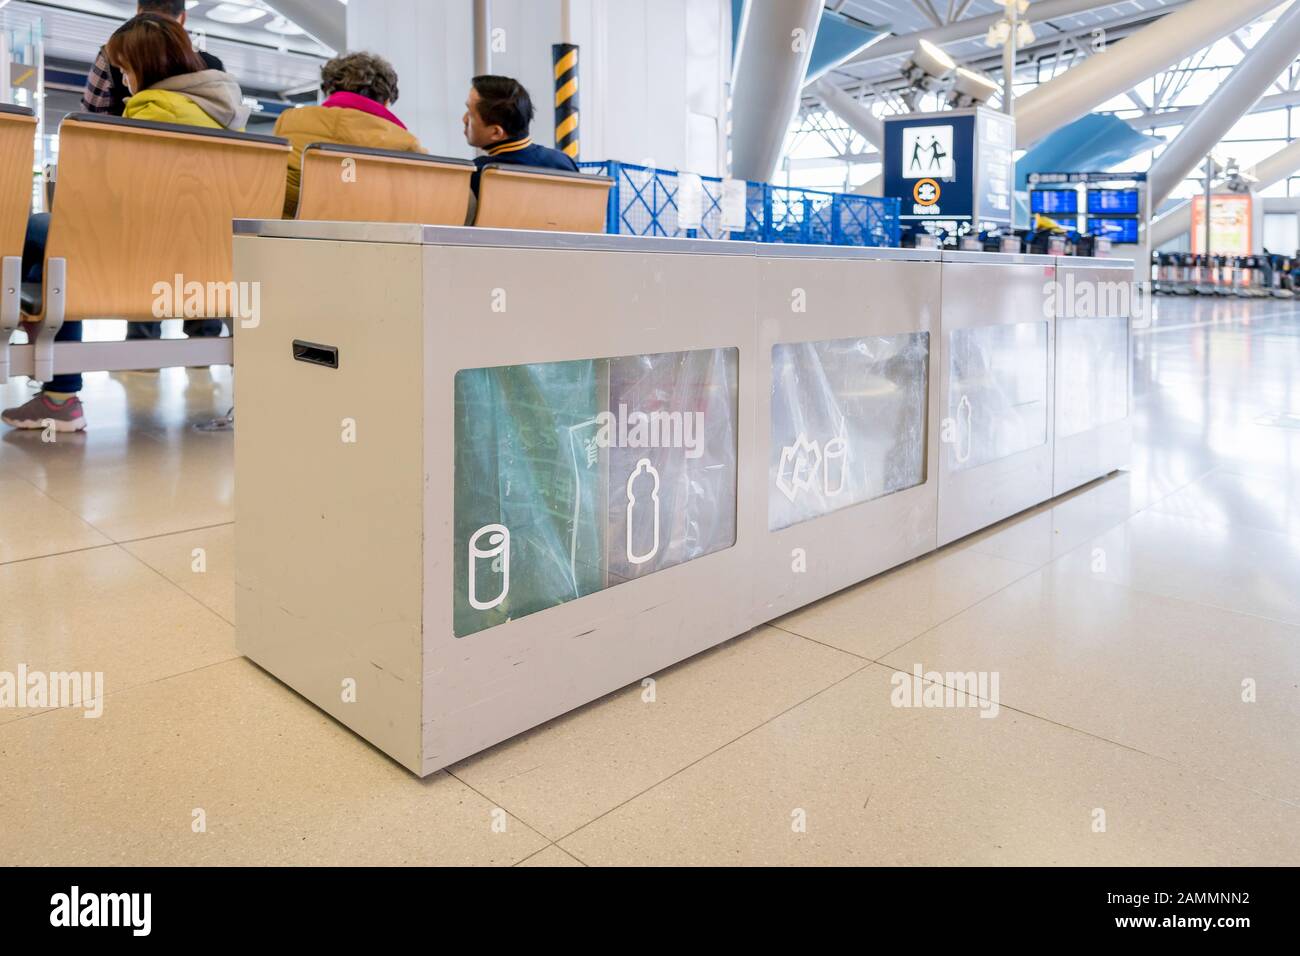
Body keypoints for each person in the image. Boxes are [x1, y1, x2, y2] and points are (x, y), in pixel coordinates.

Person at [2, 14, 249, 433]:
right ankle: (53, 381)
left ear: (146, 68)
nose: (123, 78)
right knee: (47, 251)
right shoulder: (228, 118)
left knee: (31, 231)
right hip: (209, 268)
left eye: (125, 69)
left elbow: (102, 202)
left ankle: (55, 379)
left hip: (137, 256)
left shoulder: (147, 115)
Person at [84, 0, 227, 342]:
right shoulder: (216, 85)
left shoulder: (127, 79)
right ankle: (204, 338)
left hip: (143, 235)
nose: (123, 76)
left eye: (126, 71)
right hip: (209, 240)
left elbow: (91, 123)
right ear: (184, 18)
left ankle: (142, 342)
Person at [275, 52, 424, 218]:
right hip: (370, 240)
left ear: (330, 89)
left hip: (285, 236)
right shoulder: (407, 144)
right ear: (386, 100)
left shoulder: (289, 121)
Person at [463, 75, 578, 197]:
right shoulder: (563, 163)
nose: (464, 119)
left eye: (470, 114)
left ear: (496, 132)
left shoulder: (478, 173)